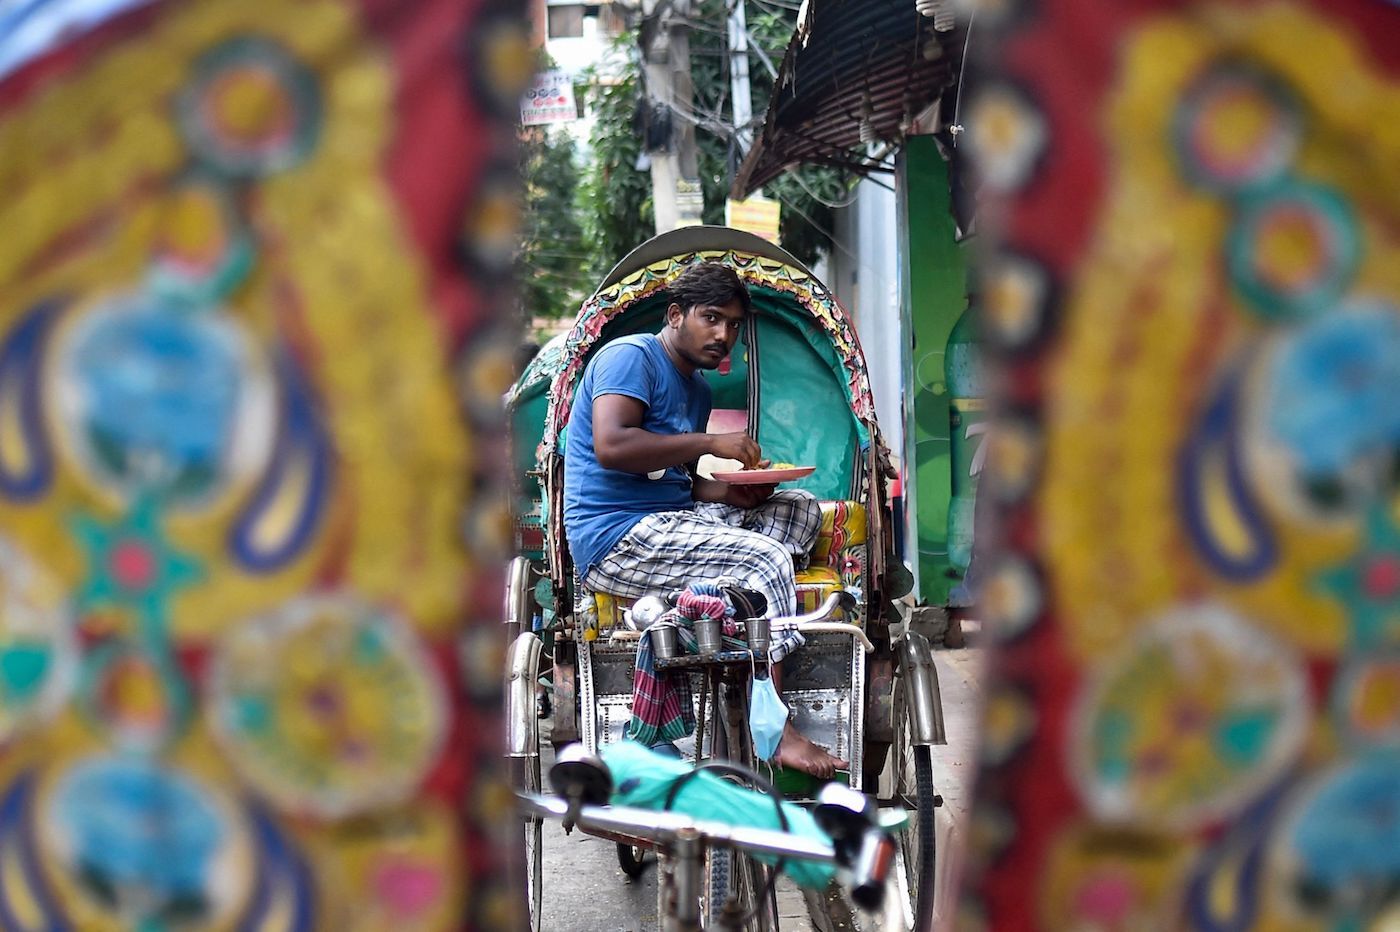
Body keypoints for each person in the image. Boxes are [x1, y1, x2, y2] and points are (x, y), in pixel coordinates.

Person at [563, 261, 846, 777]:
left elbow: (679, 480)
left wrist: (733, 494)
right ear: (676, 315)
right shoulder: (631, 359)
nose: (724, 334)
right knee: (767, 558)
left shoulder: (696, 391)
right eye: (711, 318)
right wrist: (714, 442)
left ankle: (734, 610)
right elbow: (613, 445)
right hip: (618, 538)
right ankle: (776, 730)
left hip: (673, 520)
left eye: (734, 324)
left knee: (800, 510)